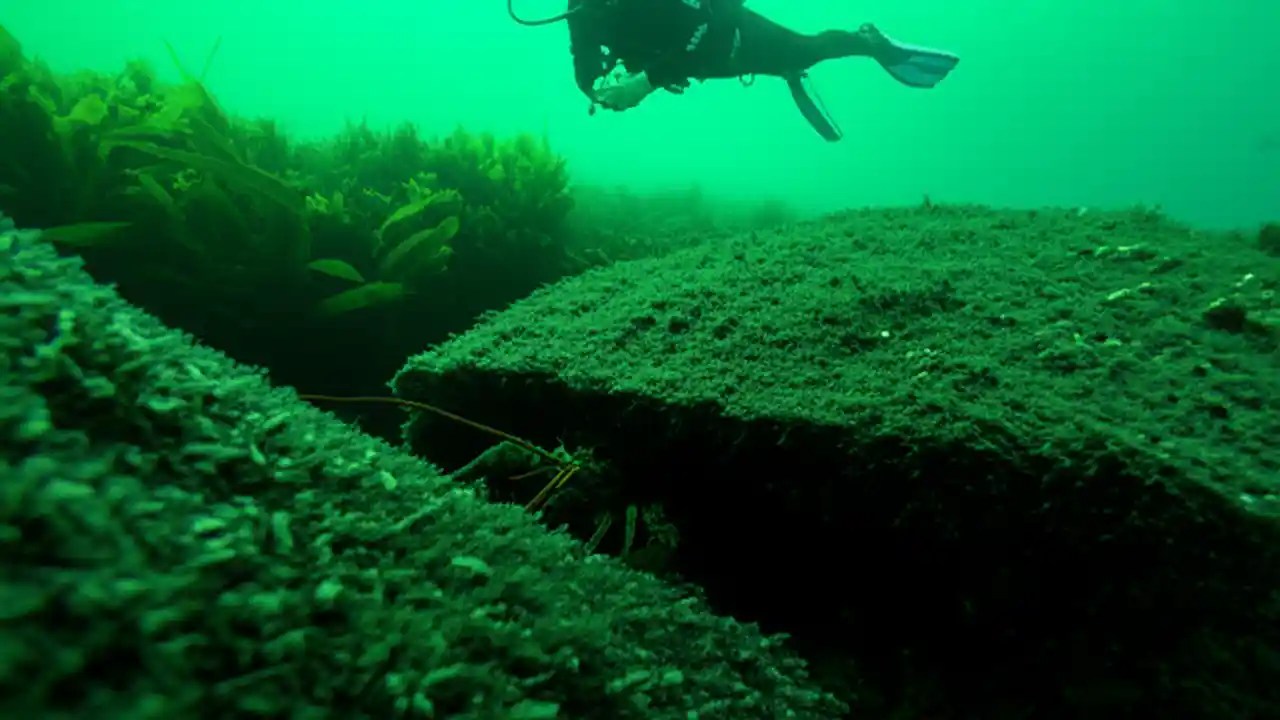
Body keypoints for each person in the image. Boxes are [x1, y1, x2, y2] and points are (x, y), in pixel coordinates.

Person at [558, 0, 960, 142]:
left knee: (806, 51)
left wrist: (643, 84)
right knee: (789, 60)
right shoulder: (580, 7)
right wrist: (595, 89)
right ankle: (785, 68)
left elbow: (705, 27)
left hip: (733, 36)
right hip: (695, 63)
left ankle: (866, 40)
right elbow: (583, 56)